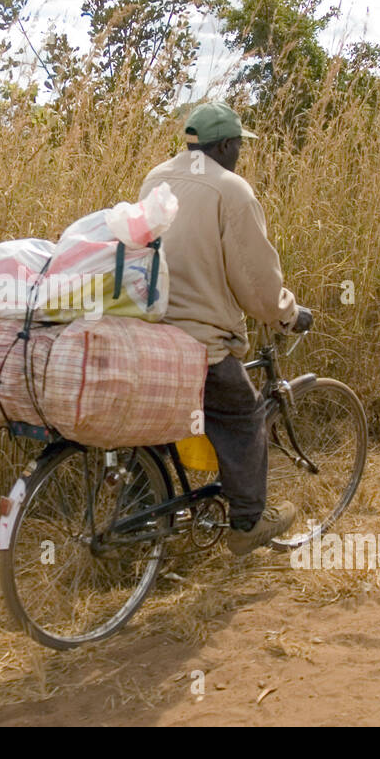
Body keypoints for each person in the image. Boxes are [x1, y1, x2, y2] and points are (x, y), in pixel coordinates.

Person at [138, 101, 312, 555]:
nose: (240, 154)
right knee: (242, 416)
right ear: (228, 145)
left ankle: (148, 515)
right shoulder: (230, 190)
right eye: (239, 146)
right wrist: (288, 314)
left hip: (150, 333)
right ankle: (247, 523)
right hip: (200, 341)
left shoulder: (155, 177)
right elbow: (257, 282)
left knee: (154, 432)